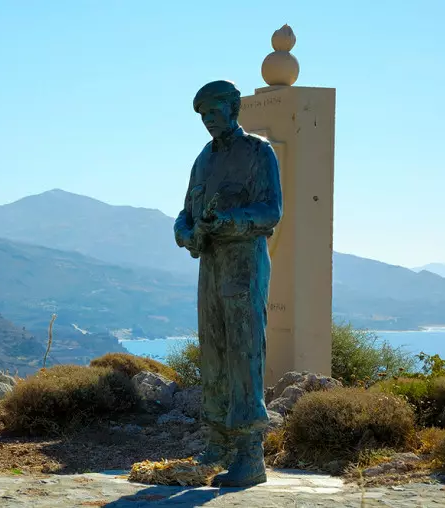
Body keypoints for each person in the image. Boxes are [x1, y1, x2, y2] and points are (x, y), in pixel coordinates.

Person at [173, 80, 283, 487]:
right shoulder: (203, 160)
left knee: (242, 353)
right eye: (203, 115)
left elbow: (272, 210)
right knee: (214, 353)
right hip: (211, 267)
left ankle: (250, 456)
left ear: (234, 108)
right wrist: (189, 233)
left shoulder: (258, 152)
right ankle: (218, 441)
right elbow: (184, 214)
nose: (208, 120)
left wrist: (229, 222)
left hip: (244, 268)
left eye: (214, 111)